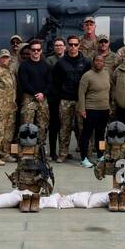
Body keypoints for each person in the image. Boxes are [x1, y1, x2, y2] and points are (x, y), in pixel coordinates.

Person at [51, 33, 90, 162]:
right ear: (67, 46)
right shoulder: (60, 63)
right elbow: (55, 82)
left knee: (82, 127)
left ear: (79, 46)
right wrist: (60, 95)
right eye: (71, 44)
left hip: (80, 100)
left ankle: (85, 154)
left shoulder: (86, 62)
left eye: (75, 44)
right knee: (64, 128)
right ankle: (63, 154)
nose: (73, 47)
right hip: (65, 100)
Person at [77, 53, 112, 168]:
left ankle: (100, 155)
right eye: (96, 60)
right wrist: (82, 109)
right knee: (86, 135)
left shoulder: (106, 74)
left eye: (101, 61)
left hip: (104, 109)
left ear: (103, 63)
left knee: (101, 134)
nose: (98, 62)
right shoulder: (87, 75)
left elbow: (108, 91)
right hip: (91, 109)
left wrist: (109, 106)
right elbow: (81, 93)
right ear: (93, 62)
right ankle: (83, 158)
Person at [17, 39, 53, 150]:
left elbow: (50, 82)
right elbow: (24, 82)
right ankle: (26, 151)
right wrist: (35, 93)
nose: (36, 52)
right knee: (27, 126)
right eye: (33, 50)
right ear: (30, 51)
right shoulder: (24, 66)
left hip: (43, 98)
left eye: (38, 50)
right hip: (29, 98)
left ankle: (40, 150)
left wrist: (43, 94)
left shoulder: (46, 65)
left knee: (42, 125)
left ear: (41, 51)